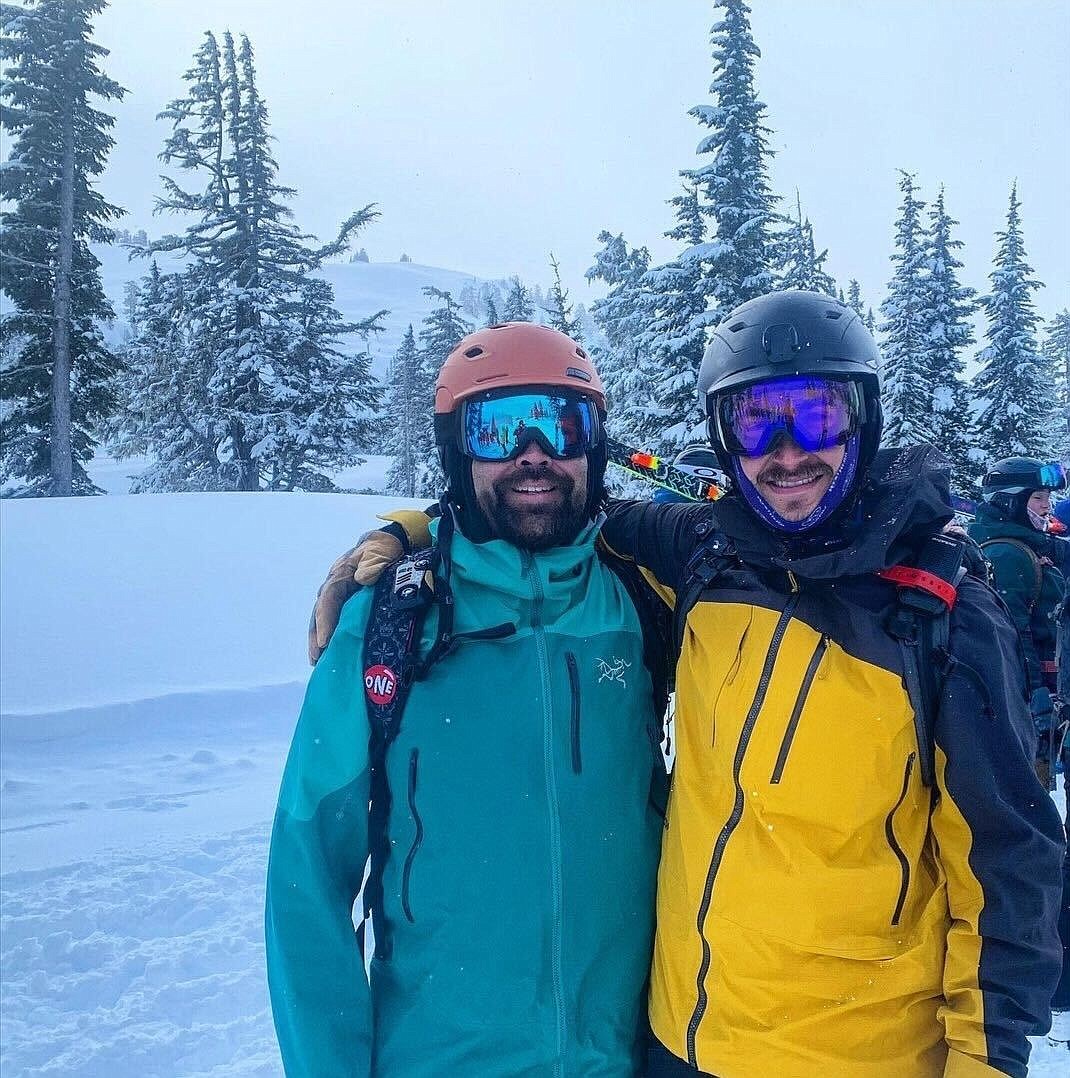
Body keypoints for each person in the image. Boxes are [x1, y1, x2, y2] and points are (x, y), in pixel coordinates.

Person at [313, 292, 1064, 1077]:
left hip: (853, 1054)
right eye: (754, 422)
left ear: (861, 419)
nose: (785, 453)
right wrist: (415, 529)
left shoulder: (936, 610)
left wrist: (986, 1061)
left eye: (814, 417)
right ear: (723, 437)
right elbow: (552, 504)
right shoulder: (709, 558)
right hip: (679, 1040)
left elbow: (1011, 868)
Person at [265, 322, 669, 1076]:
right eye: (497, 428)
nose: (533, 454)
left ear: (594, 444)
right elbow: (307, 877)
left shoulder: (644, 604)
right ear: (459, 451)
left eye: (561, 422)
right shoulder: (389, 622)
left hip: (622, 1057)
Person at [966, 459, 1070, 1048]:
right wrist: (1032, 695)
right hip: (1022, 712)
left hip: (1038, 709)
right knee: (1023, 831)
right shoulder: (1007, 553)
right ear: (1011, 501)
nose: (1047, 509)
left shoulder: (1032, 545)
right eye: (1037, 499)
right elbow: (1005, 632)